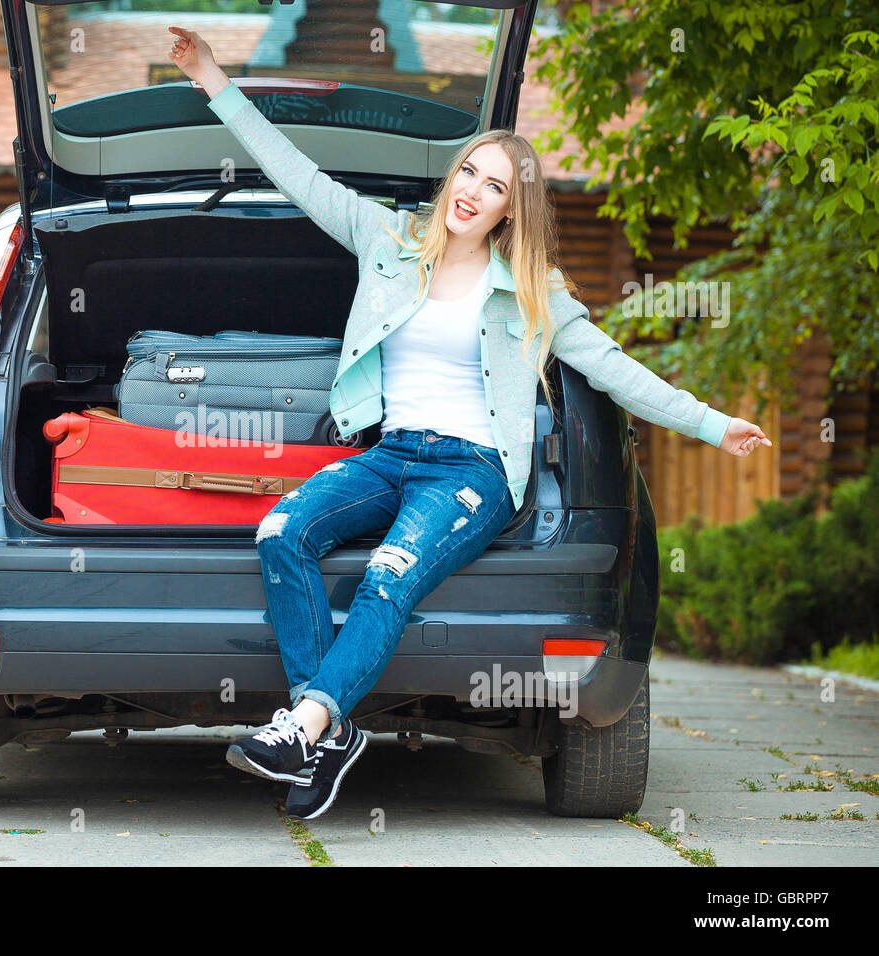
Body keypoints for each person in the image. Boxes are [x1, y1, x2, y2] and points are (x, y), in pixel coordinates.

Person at [165, 26, 772, 820]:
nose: (473, 191)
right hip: (391, 454)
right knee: (282, 533)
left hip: (473, 473)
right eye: (471, 173)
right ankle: (326, 734)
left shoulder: (531, 291)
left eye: (494, 188)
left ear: (510, 211)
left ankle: (304, 725)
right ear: (453, 175)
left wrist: (711, 424)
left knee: (388, 577)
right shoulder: (387, 240)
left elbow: (614, 369)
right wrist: (212, 77)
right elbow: (294, 171)